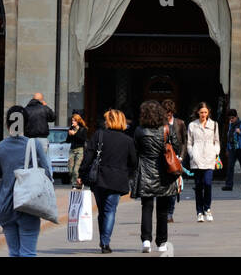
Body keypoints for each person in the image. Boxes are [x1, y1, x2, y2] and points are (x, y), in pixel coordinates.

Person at [0, 106, 53, 258]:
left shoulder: (0, 147)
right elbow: (47, 175)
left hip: (6, 206)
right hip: (29, 205)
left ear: (7, 124)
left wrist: (4, 194)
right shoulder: (34, 145)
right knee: (28, 252)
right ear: (26, 124)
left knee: (14, 252)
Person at [77, 109, 137, 254]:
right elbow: (134, 162)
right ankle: (105, 242)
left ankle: (103, 240)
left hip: (99, 178)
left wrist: (81, 174)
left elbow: (88, 156)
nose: (104, 122)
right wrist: (126, 174)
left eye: (106, 119)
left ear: (109, 121)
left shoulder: (99, 135)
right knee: (110, 211)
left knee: (102, 210)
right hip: (117, 180)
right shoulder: (128, 140)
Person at [132, 100, 180, 253]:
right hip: (164, 172)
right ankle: (162, 242)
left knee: (146, 207)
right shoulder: (167, 129)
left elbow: (135, 151)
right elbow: (177, 146)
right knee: (163, 210)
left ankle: (146, 240)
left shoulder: (139, 130)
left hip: (145, 172)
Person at [187, 101, 220, 222]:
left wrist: (215, 152)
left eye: (205, 112)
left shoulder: (214, 125)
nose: (203, 114)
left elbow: (217, 141)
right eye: (201, 112)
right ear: (197, 112)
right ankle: (199, 211)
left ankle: (208, 208)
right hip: (196, 159)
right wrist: (192, 154)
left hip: (209, 158)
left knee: (208, 183)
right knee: (198, 186)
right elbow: (189, 143)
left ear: (208, 112)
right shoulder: (192, 125)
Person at [162, 99, 186, 220]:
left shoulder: (180, 123)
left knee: (174, 187)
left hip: (176, 159)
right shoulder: (160, 124)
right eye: (166, 112)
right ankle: (164, 211)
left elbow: (184, 142)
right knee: (163, 187)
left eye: (170, 112)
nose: (168, 114)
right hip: (164, 158)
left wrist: (181, 156)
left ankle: (170, 212)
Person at [66, 112, 88, 188]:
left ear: (78, 121)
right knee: (70, 168)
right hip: (72, 149)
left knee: (76, 169)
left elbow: (82, 139)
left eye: (74, 121)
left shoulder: (83, 129)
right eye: (72, 120)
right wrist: (69, 134)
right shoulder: (71, 128)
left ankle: (76, 184)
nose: (73, 122)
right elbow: (68, 140)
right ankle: (76, 182)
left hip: (80, 150)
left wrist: (75, 134)